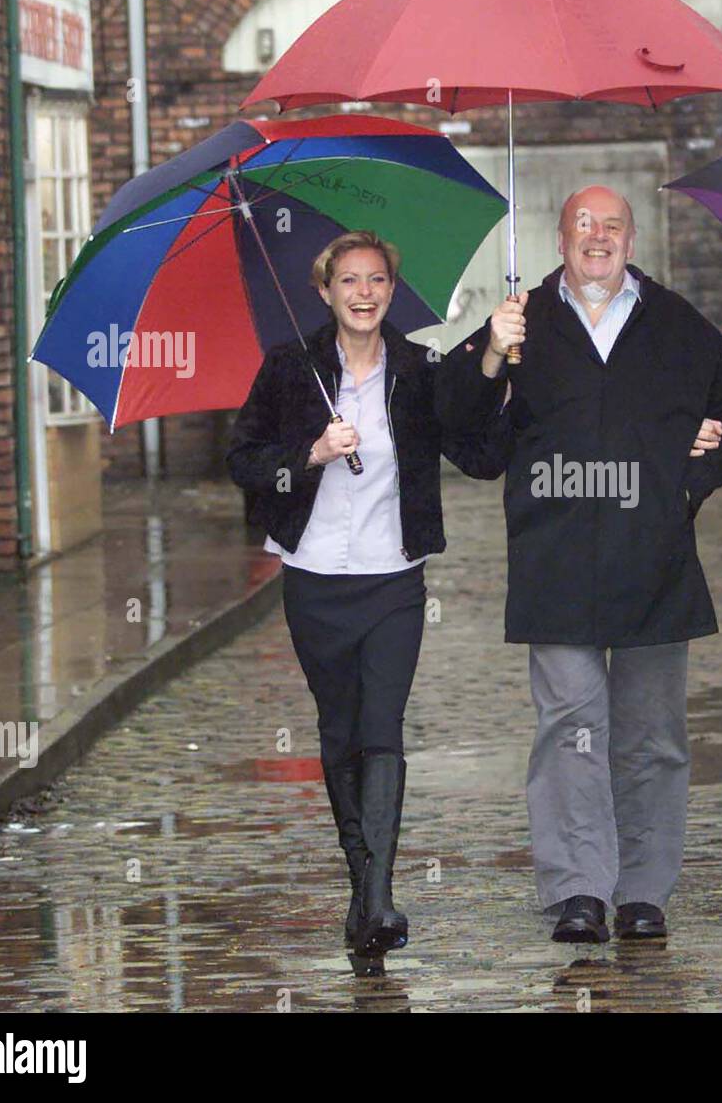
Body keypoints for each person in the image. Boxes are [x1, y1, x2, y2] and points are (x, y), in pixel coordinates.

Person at [435, 186, 722, 943]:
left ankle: (643, 889)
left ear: (631, 241)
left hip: (654, 559)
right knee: (571, 728)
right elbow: (469, 445)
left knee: (652, 735)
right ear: (561, 239)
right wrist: (486, 354)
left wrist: (695, 475)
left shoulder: (680, 328)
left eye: (612, 225)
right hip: (556, 558)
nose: (598, 237)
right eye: (584, 224)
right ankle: (579, 888)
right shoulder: (521, 327)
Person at [227, 231, 507, 963]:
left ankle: (379, 896)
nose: (362, 293)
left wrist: (497, 355)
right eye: (348, 280)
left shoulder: (417, 368)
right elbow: (244, 459)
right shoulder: (291, 369)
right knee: (339, 730)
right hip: (314, 577)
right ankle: (363, 887)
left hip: (392, 579)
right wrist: (310, 456)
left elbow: (476, 451)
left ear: (391, 290)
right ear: (326, 291)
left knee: (382, 726)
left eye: (376, 280)